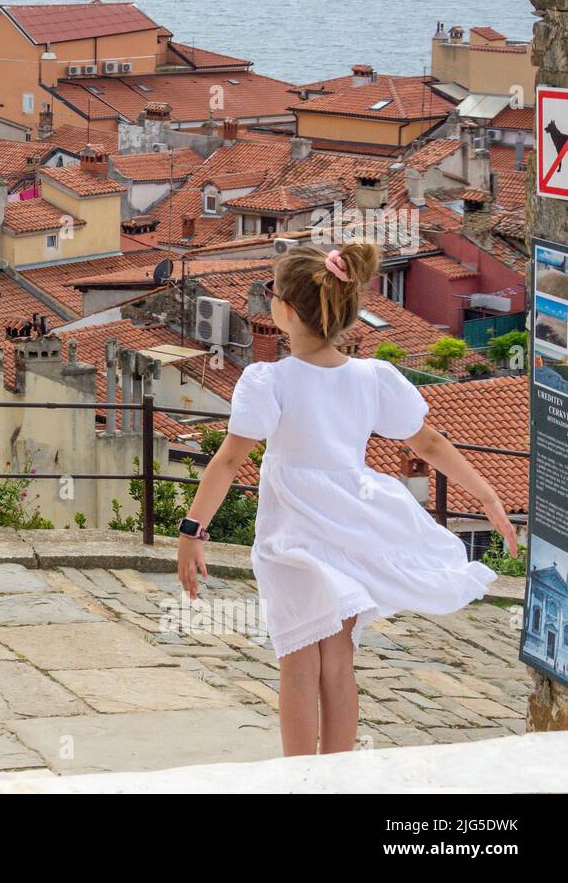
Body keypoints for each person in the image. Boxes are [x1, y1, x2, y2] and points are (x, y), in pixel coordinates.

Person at [175, 240, 517, 756]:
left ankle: (300, 778)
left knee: (297, 661)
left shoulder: (269, 380)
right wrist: (487, 495)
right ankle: (337, 776)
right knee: (337, 664)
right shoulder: (371, 377)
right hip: (352, 526)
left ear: (286, 311)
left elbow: (227, 461)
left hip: (292, 533)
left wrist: (192, 531)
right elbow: (428, 443)